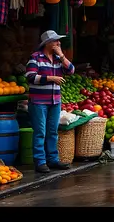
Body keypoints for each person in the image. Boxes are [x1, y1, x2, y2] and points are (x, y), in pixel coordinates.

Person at [26, 30, 74, 173]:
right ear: (47, 43)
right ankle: (40, 161)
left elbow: (71, 70)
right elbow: (30, 76)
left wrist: (62, 55)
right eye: (55, 41)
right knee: (40, 131)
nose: (58, 43)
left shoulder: (58, 59)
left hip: (55, 101)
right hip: (38, 101)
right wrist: (51, 79)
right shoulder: (35, 58)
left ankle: (53, 160)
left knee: (53, 131)